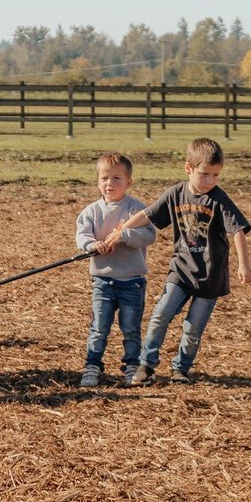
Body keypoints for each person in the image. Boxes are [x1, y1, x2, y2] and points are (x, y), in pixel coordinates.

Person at [104, 137, 251, 386]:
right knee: (160, 315)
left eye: (216, 175)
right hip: (181, 270)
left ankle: (181, 368)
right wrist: (123, 229)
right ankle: (146, 365)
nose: (210, 181)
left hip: (210, 276)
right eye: (204, 174)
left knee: (193, 328)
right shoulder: (176, 193)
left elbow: (237, 230)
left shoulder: (219, 199)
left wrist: (244, 264)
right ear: (189, 168)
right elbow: (149, 214)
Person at [75, 152, 156, 389]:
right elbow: (82, 236)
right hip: (103, 280)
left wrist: (124, 235)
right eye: (105, 178)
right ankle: (92, 366)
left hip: (132, 281)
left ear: (128, 182)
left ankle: (132, 365)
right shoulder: (91, 212)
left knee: (131, 328)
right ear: (98, 181)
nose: (110, 183)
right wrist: (93, 245)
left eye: (117, 178)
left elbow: (149, 235)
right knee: (99, 327)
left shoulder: (136, 209)